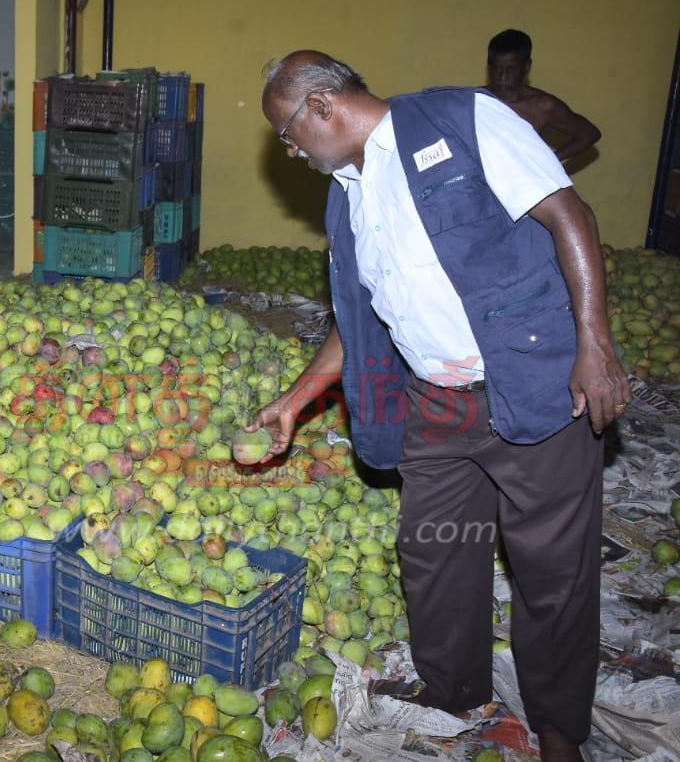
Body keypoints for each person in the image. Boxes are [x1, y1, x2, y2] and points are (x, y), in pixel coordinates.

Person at [250, 50, 630, 762]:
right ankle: (454, 688)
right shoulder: (347, 193)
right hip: (438, 403)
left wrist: (596, 344)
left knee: (551, 568)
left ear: (324, 105)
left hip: (531, 378)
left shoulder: (464, 120)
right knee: (434, 553)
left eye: (289, 132)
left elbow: (568, 214)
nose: (292, 150)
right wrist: (295, 400)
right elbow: (358, 321)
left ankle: (557, 728)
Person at [486, 29, 602, 164]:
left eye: (511, 69)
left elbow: (589, 134)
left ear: (526, 66)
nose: (503, 77)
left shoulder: (541, 105)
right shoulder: (472, 100)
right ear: (488, 66)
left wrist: (549, 164)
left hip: (524, 182)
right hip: (477, 183)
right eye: (496, 68)